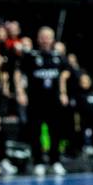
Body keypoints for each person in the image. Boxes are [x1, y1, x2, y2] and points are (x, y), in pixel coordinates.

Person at [16, 26, 71, 176]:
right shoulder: (31, 56)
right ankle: (38, 162)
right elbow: (19, 72)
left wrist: (63, 92)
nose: (46, 40)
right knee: (35, 132)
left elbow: (64, 73)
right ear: (38, 39)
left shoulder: (58, 56)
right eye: (43, 37)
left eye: (49, 37)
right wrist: (20, 92)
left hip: (54, 101)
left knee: (56, 132)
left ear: (53, 39)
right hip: (35, 101)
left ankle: (55, 161)